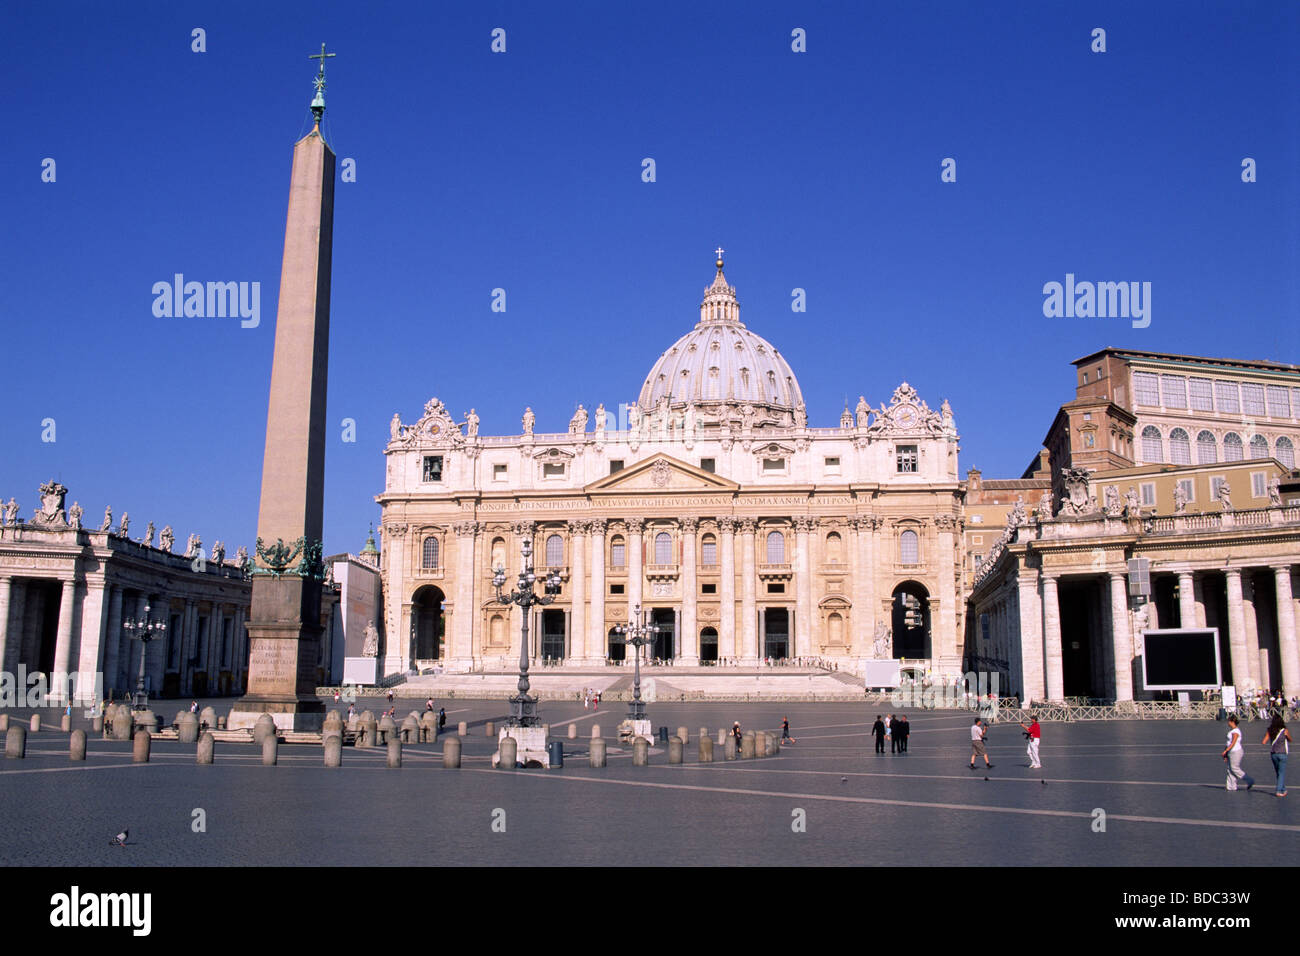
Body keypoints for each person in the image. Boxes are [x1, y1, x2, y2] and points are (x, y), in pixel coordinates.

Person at [1262, 715, 1291, 797]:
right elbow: (1290, 740)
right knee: (1281, 773)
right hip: (1282, 753)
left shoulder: (1270, 730)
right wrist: (1286, 736)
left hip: (1273, 754)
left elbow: (1264, 741)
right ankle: (1278, 790)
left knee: (1278, 772)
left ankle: (1283, 789)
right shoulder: (1284, 730)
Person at [1223, 715, 1253, 791]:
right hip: (1231, 752)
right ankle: (1231, 787)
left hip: (1236, 752)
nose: (1228, 723)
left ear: (1232, 722)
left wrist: (1226, 751)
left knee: (1234, 768)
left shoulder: (1235, 731)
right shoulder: (1232, 731)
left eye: (1229, 721)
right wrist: (1226, 754)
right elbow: (1228, 742)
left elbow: (1233, 742)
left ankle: (1249, 780)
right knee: (1230, 769)